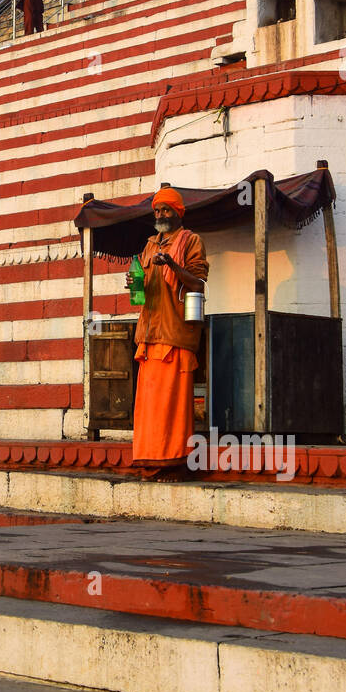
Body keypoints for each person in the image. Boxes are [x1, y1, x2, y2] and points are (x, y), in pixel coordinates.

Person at [127, 186, 209, 478]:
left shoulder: (191, 240)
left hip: (176, 335)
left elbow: (198, 283)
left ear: (178, 213)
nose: (160, 215)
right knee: (149, 406)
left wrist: (172, 264)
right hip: (148, 338)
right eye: (157, 210)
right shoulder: (149, 245)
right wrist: (134, 282)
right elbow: (141, 295)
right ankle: (150, 460)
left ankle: (176, 461)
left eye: (166, 210)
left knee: (173, 405)